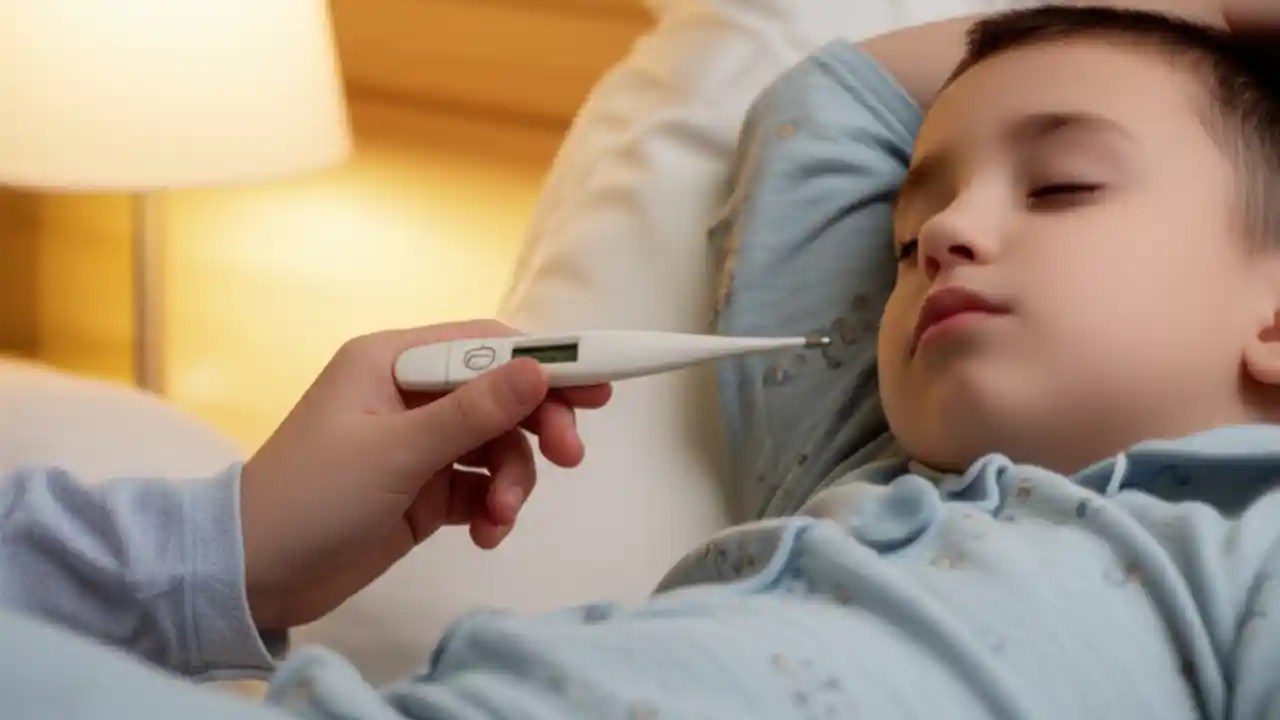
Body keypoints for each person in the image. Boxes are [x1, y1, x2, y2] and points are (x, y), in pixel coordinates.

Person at [4, 2, 1280, 718]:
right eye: (900, 243)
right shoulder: (865, 456)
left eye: (1059, 186)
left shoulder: (1238, 537)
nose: (940, 231)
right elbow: (828, 110)